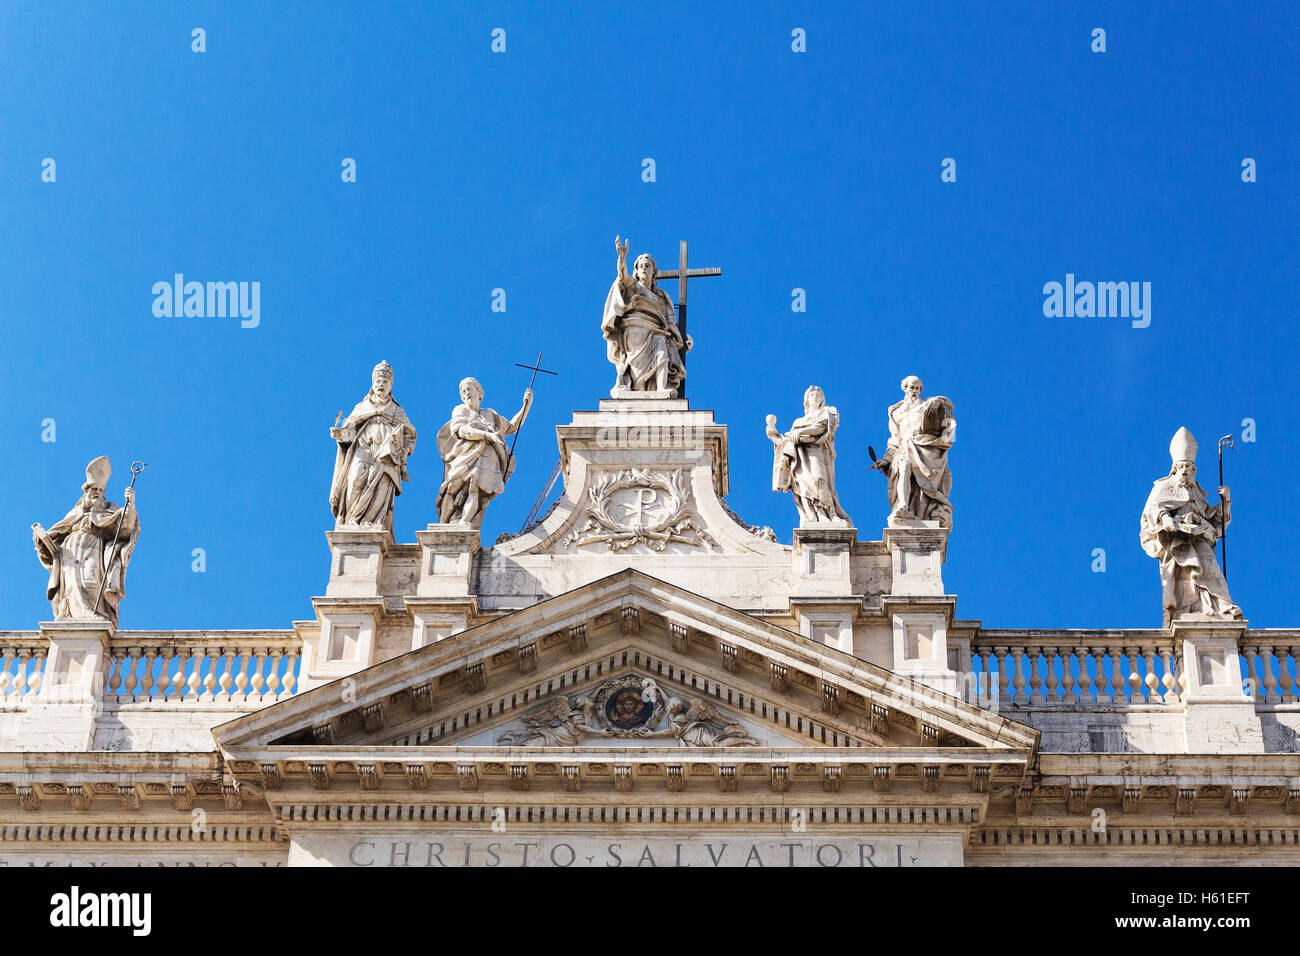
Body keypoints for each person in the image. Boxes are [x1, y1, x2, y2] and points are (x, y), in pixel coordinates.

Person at [1140, 427, 1241, 627]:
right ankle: (1192, 611)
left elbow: (1215, 523)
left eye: (1189, 467)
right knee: (1185, 581)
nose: (1186, 471)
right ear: (1175, 469)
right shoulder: (1163, 488)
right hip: (1178, 540)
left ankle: (1221, 607)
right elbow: (1153, 509)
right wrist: (1166, 519)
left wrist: (1225, 501)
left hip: (1199, 537)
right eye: (1182, 467)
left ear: (1194, 469)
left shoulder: (1198, 494)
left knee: (1210, 567)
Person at [32, 456, 140, 627]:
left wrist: (130, 503)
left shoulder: (110, 509)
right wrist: (43, 540)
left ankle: (94, 614)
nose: (97, 492)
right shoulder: (75, 512)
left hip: (94, 547)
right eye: (93, 489)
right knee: (70, 585)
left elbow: (126, 528)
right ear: (86, 491)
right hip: (69, 550)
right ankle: (70, 616)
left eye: (100, 489)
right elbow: (58, 532)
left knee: (90, 581)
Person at [330, 360, 417, 531]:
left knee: (380, 491)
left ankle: (371, 524)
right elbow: (351, 431)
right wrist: (341, 435)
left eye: (385, 382)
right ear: (372, 383)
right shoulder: (362, 407)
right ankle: (351, 521)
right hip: (362, 452)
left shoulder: (397, 411)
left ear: (390, 385)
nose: (381, 385)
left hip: (386, 458)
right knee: (354, 482)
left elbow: (410, 435)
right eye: (378, 381)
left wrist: (403, 451)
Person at [435, 377, 532, 526]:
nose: (466, 393)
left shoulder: (489, 414)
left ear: (479, 392)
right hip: (466, 454)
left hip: (488, 457)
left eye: (469, 389)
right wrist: (487, 435)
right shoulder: (461, 410)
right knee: (452, 487)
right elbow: (461, 430)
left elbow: (512, 426)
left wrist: (526, 405)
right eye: (463, 391)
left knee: (476, 491)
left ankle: (464, 523)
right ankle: (443, 524)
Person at [601, 236, 690, 395]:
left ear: (653, 271)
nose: (644, 268)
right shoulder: (634, 287)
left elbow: (670, 322)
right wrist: (622, 257)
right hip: (635, 329)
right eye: (641, 266)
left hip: (658, 331)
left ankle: (661, 388)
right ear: (636, 270)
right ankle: (637, 390)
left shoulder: (661, 296)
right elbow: (622, 276)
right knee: (636, 364)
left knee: (662, 350)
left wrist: (681, 338)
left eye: (647, 266)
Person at [766, 385, 850, 525]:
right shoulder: (798, 422)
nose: (815, 396)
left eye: (818, 395)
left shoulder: (827, 412)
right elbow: (787, 441)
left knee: (819, 479)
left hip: (818, 452)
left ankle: (828, 513)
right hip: (800, 457)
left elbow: (822, 428)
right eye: (812, 395)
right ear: (806, 400)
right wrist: (773, 433)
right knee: (803, 484)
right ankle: (812, 516)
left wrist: (800, 433)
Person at [878, 375, 955, 526]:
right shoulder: (895, 412)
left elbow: (948, 406)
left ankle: (917, 512)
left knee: (922, 490)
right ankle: (902, 507)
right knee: (904, 467)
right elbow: (894, 440)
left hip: (925, 448)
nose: (915, 391)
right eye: (912, 388)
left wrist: (938, 401)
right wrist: (886, 460)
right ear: (905, 388)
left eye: (918, 388)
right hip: (905, 447)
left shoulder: (926, 404)